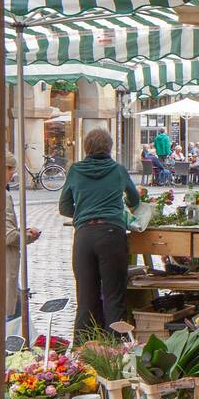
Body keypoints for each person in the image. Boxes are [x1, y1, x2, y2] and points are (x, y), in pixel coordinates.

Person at [60, 127, 140, 335]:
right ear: (110, 148)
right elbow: (134, 199)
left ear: (86, 148)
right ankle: (115, 352)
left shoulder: (75, 170)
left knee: (86, 298)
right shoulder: (118, 170)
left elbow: (64, 207)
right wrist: (122, 206)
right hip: (112, 234)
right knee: (114, 297)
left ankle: (84, 352)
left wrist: (83, 212)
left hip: (84, 236)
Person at [4, 151, 40, 325]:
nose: (13, 174)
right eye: (11, 169)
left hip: (3, 268)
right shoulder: (3, 196)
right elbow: (8, 235)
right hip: (5, 264)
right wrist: (28, 236)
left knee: (16, 309)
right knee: (11, 317)